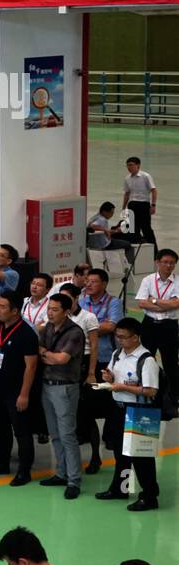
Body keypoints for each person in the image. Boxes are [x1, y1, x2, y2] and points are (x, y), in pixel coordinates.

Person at [97, 317, 162, 511]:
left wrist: (121, 386)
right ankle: (121, 488)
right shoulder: (118, 354)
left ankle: (150, 496)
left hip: (140, 412)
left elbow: (151, 391)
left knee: (142, 456)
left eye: (124, 337)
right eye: (117, 337)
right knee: (121, 453)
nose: (120, 341)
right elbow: (113, 373)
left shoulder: (146, 360)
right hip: (118, 408)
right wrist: (109, 377)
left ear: (136, 338)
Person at [0, 293, 41, 486]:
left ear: (15, 311)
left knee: (22, 431)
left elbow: (31, 366)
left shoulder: (26, 333)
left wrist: (24, 394)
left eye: (2, 307)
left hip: (17, 391)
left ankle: (24, 470)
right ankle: (2, 462)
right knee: (0, 428)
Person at [39, 294, 86, 499]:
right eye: (49, 308)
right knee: (55, 433)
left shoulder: (74, 332)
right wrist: (48, 355)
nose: (50, 312)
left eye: (55, 309)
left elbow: (61, 359)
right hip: (47, 386)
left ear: (66, 311)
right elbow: (41, 351)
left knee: (67, 435)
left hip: (65, 388)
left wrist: (46, 355)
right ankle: (61, 472)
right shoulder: (47, 328)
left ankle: (74, 479)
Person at [134, 248, 179, 409]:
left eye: (172, 263)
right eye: (165, 262)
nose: (168, 265)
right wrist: (164, 305)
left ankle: (174, 397)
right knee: (146, 360)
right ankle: (146, 393)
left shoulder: (177, 281)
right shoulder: (148, 280)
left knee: (171, 363)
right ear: (157, 262)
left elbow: (176, 304)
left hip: (169, 326)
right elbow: (141, 302)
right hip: (149, 325)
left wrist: (153, 301)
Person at [122, 156, 157, 248]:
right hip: (132, 204)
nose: (129, 167)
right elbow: (127, 193)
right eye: (127, 166)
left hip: (143, 204)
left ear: (138, 165)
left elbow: (154, 190)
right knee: (133, 229)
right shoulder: (127, 178)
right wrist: (123, 208)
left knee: (146, 229)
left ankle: (155, 252)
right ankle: (136, 249)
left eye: (131, 165)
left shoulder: (145, 176)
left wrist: (153, 205)